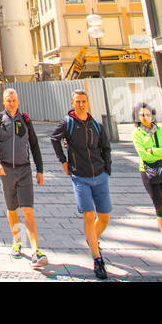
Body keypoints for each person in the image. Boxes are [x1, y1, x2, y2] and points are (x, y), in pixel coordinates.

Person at [51, 90, 112, 279]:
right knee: (88, 215)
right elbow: (54, 139)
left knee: (104, 217)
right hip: (80, 176)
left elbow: (106, 147)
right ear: (73, 103)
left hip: (99, 175)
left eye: (84, 101)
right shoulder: (68, 124)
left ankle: (91, 239)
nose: (81, 104)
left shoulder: (96, 125)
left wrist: (107, 169)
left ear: (88, 103)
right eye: (77, 102)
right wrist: (63, 161)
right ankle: (97, 258)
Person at [0, 88, 46, 266]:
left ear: (18, 101)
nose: (11, 103)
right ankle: (17, 241)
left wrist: (39, 169)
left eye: (14, 100)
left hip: (24, 169)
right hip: (6, 171)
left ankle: (35, 250)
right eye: (8, 100)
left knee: (28, 210)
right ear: (4, 102)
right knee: (12, 209)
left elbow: (34, 145)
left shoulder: (25, 120)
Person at [132, 103, 162, 257]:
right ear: (138, 118)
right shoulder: (137, 134)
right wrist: (160, 151)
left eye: (148, 113)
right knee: (160, 207)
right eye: (142, 115)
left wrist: (154, 151)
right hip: (148, 173)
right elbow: (143, 155)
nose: (146, 116)